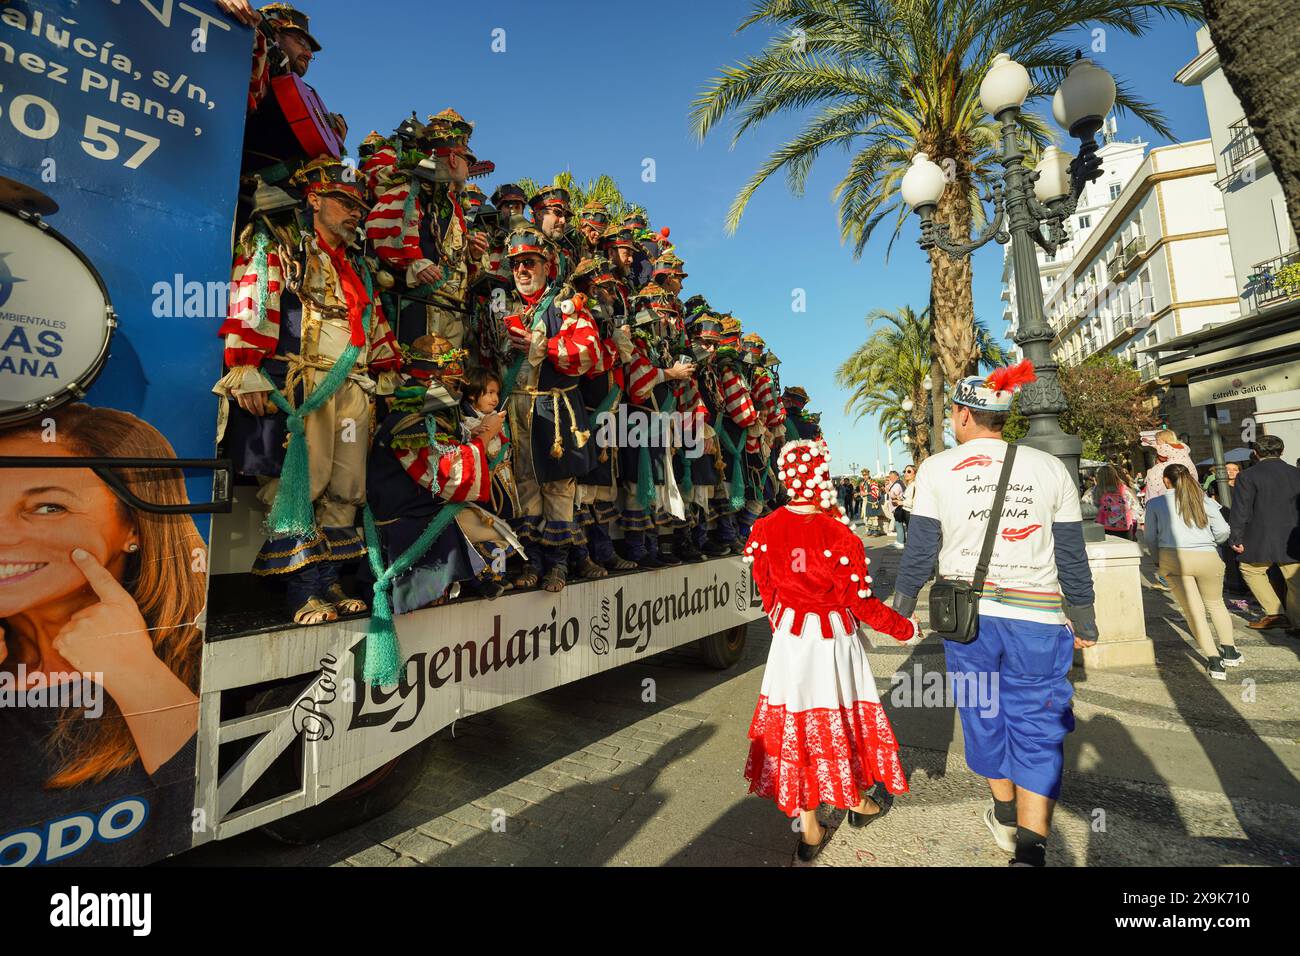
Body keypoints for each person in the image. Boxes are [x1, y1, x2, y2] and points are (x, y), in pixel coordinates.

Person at [892, 360, 1099, 867]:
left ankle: (1004, 812)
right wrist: (1087, 617)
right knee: (1037, 723)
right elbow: (1071, 553)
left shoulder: (938, 469)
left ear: (963, 415)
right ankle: (1031, 848)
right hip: (1040, 618)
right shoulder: (1050, 468)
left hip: (970, 622)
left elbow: (920, 551)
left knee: (983, 713)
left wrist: (900, 607)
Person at [0, 405, 205, 865]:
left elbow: (209, 812)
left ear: (133, 525)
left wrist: (135, 674)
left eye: (47, 506)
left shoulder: (189, 655)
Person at [215, 157, 401, 624]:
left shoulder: (356, 264)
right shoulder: (278, 241)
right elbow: (253, 295)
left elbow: (371, 323)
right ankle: (302, 592)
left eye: (359, 205)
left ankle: (328, 582)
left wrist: (387, 371)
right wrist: (247, 365)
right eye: (343, 201)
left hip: (352, 389)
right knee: (303, 484)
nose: (354, 211)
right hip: (306, 384)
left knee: (346, 489)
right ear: (314, 199)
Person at [742, 438, 921, 863]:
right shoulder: (839, 533)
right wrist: (904, 628)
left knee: (797, 727)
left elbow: (765, 587)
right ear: (821, 476)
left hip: (790, 640)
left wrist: (781, 621)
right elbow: (859, 602)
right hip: (832, 643)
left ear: (786, 478)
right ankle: (855, 800)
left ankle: (809, 828)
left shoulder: (764, 528)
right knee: (838, 717)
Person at [1144, 464, 1240, 678]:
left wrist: (1157, 558)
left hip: (1174, 557)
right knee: (1216, 604)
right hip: (1207, 554)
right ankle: (1230, 650)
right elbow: (1224, 529)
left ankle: (1214, 660)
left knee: (1193, 611)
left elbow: (1150, 537)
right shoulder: (1203, 499)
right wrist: (1213, 543)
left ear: (1166, 481)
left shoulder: (1155, 503)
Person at [1228, 435, 1300, 636]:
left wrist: (1236, 536)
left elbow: (1241, 509)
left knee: (1251, 569)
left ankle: (1275, 612)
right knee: (1295, 579)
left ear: (1256, 453)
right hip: (1293, 536)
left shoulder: (1247, 476)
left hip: (1260, 536)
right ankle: (1297, 621)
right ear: (1282, 451)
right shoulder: (1296, 473)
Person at [1092, 463, 1142, 540]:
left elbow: (1090, 508)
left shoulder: (1096, 491)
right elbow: (1136, 508)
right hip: (1124, 528)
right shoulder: (1124, 489)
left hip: (1103, 528)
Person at [890, 464, 916, 549]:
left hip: (911, 513)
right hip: (906, 512)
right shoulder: (909, 485)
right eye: (905, 471)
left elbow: (913, 502)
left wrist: (899, 502)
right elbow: (906, 497)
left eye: (909, 471)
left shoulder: (914, 485)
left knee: (912, 535)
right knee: (910, 533)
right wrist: (898, 498)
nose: (906, 473)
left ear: (915, 474)